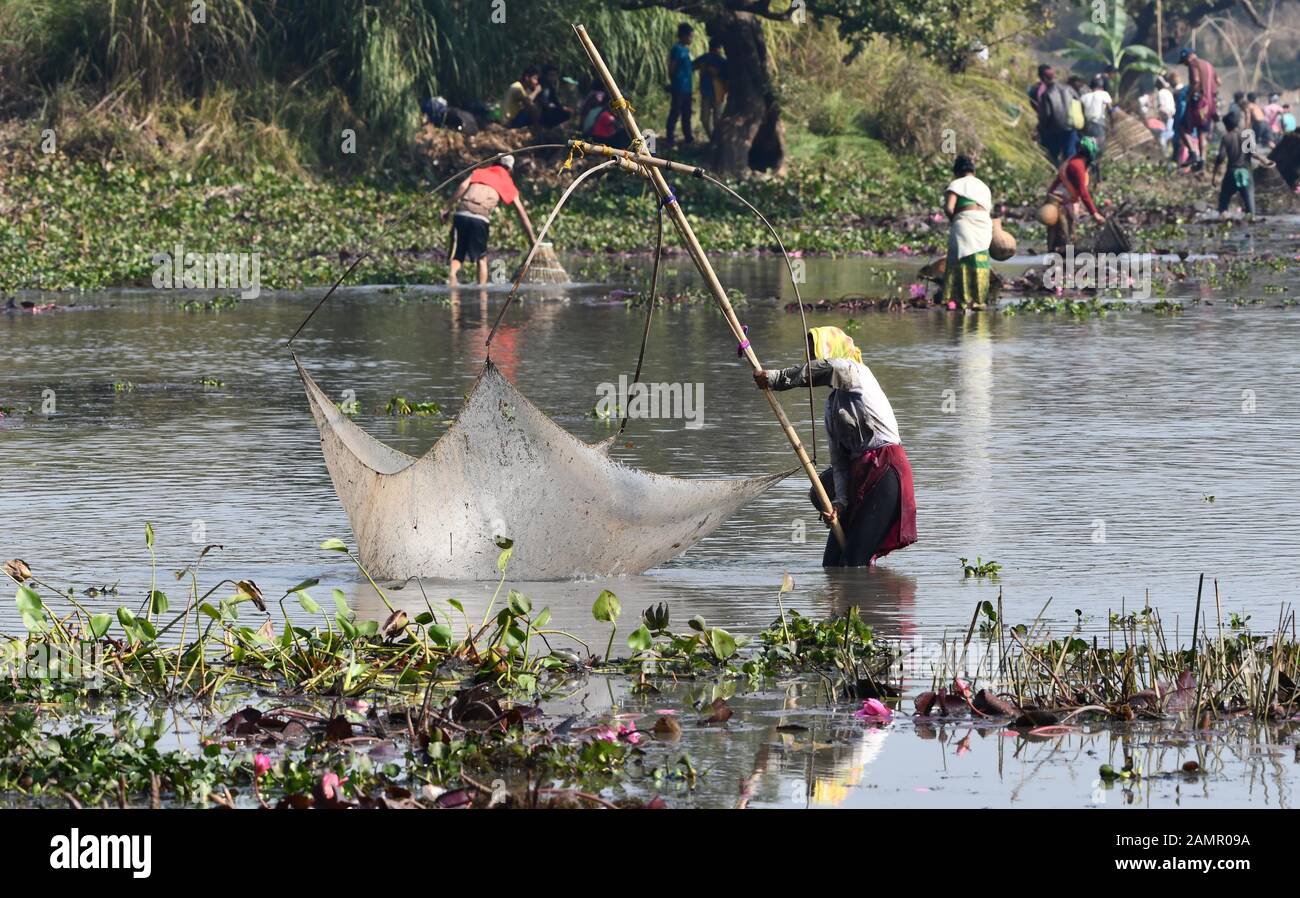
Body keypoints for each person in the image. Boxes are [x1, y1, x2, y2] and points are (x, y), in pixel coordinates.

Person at [754, 327, 916, 568]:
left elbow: (831, 368)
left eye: (815, 353)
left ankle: (870, 600)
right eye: (809, 354)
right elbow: (840, 462)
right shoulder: (832, 405)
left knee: (853, 563)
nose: (811, 359)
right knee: (831, 565)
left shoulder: (858, 374)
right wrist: (840, 501)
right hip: (856, 476)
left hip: (885, 472)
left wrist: (777, 379)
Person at [442, 155, 537, 286]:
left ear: (493, 163)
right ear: (509, 170)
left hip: (461, 213)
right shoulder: (506, 180)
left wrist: (446, 208)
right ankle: (482, 292)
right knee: (481, 258)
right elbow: (521, 213)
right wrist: (532, 240)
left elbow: (463, 186)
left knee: (459, 254)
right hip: (480, 217)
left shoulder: (480, 172)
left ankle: (452, 276)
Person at [941, 155, 994, 310]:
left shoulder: (956, 183)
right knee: (980, 259)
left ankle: (960, 300)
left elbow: (949, 208)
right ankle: (979, 300)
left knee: (960, 259)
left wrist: (954, 220)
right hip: (983, 224)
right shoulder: (984, 186)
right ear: (973, 171)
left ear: (957, 172)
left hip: (964, 222)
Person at [1044, 136, 1105, 254]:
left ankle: (1057, 257)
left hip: (1063, 203)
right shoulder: (1077, 166)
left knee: (1063, 236)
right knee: (1062, 236)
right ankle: (1057, 259)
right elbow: (1083, 192)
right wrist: (1095, 213)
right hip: (1059, 205)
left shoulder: (1076, 162)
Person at [1213, 111, 1275, 217]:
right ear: (1237, 124)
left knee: (1223, 204)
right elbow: (1253, 153)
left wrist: (1214, 175)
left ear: (1226, 125)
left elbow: (1221, 157)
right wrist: (1264, 160)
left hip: (1231, 173)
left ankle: (1223, 220)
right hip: (1246, 172)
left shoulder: (1226, 137)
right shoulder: (1246, 136)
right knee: (1251, 210)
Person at [1180, 47, 1219, 169]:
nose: (1185, 64)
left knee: (1182, 128)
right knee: (1202, 133)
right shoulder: (1208, 65)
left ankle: (1192, 153)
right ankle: (1202, 161)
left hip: (1199, 103)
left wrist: (1189, 95)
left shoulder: (1193, 64)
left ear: (1188, 56)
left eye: (1184, 61)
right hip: (1210, 105)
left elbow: (1196, 81)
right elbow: (1219, 81)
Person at [1032, 65, 1079, 164]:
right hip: (1071, 128)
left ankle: (1057, 174)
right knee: (1070, 157)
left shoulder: (1047, 94)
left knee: (1052, 156)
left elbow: (1046, 116)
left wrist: (1040, 128)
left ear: (1043, 78)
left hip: (1055, 130)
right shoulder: (1069, 89)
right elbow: (1078, 105)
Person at [693, 36, 728, 140]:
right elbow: (693, 66)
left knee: (709, 118)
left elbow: (693, 66)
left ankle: (715, 139)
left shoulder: (721, 61)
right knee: (710, 118)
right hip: (710, 92)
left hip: (716, 92)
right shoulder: (708, 58)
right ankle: (713, 138)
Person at [666, 23, 695, 146]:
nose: (691, 39)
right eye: (690, 36)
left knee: (687, 113)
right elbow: (672, 67)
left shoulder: (686, 50)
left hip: (687, 87)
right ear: (683, 36)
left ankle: (688, 137)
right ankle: (670, 137)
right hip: (679, 87)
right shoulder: (677, 49)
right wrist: (674, 82)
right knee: (675, 112)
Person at [1081, 73, 1113, 178]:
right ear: (1101, 87)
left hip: (1087, 127)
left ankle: (1086, 175)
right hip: (1099, 126)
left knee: (1088, 150)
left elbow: (1081, 112)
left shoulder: (1084, 97)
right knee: (1099, 151)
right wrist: (1112, 124)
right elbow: (1110, 110)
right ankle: (1097, 176)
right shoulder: (1104, 94)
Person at [535, 64, 573, 128]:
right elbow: (546, 103)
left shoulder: (550, 86)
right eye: (551, 75)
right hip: (544, 115)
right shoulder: (545, 86)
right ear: (545, 75)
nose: (553, 78)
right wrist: (561, 108)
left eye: (554, 75)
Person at [1156, 75, 1177, 149]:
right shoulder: (1168, 92)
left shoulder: (1161, 93)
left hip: (1168, 117)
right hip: (1172, 116)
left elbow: (1162, 107)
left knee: (1163, 138)